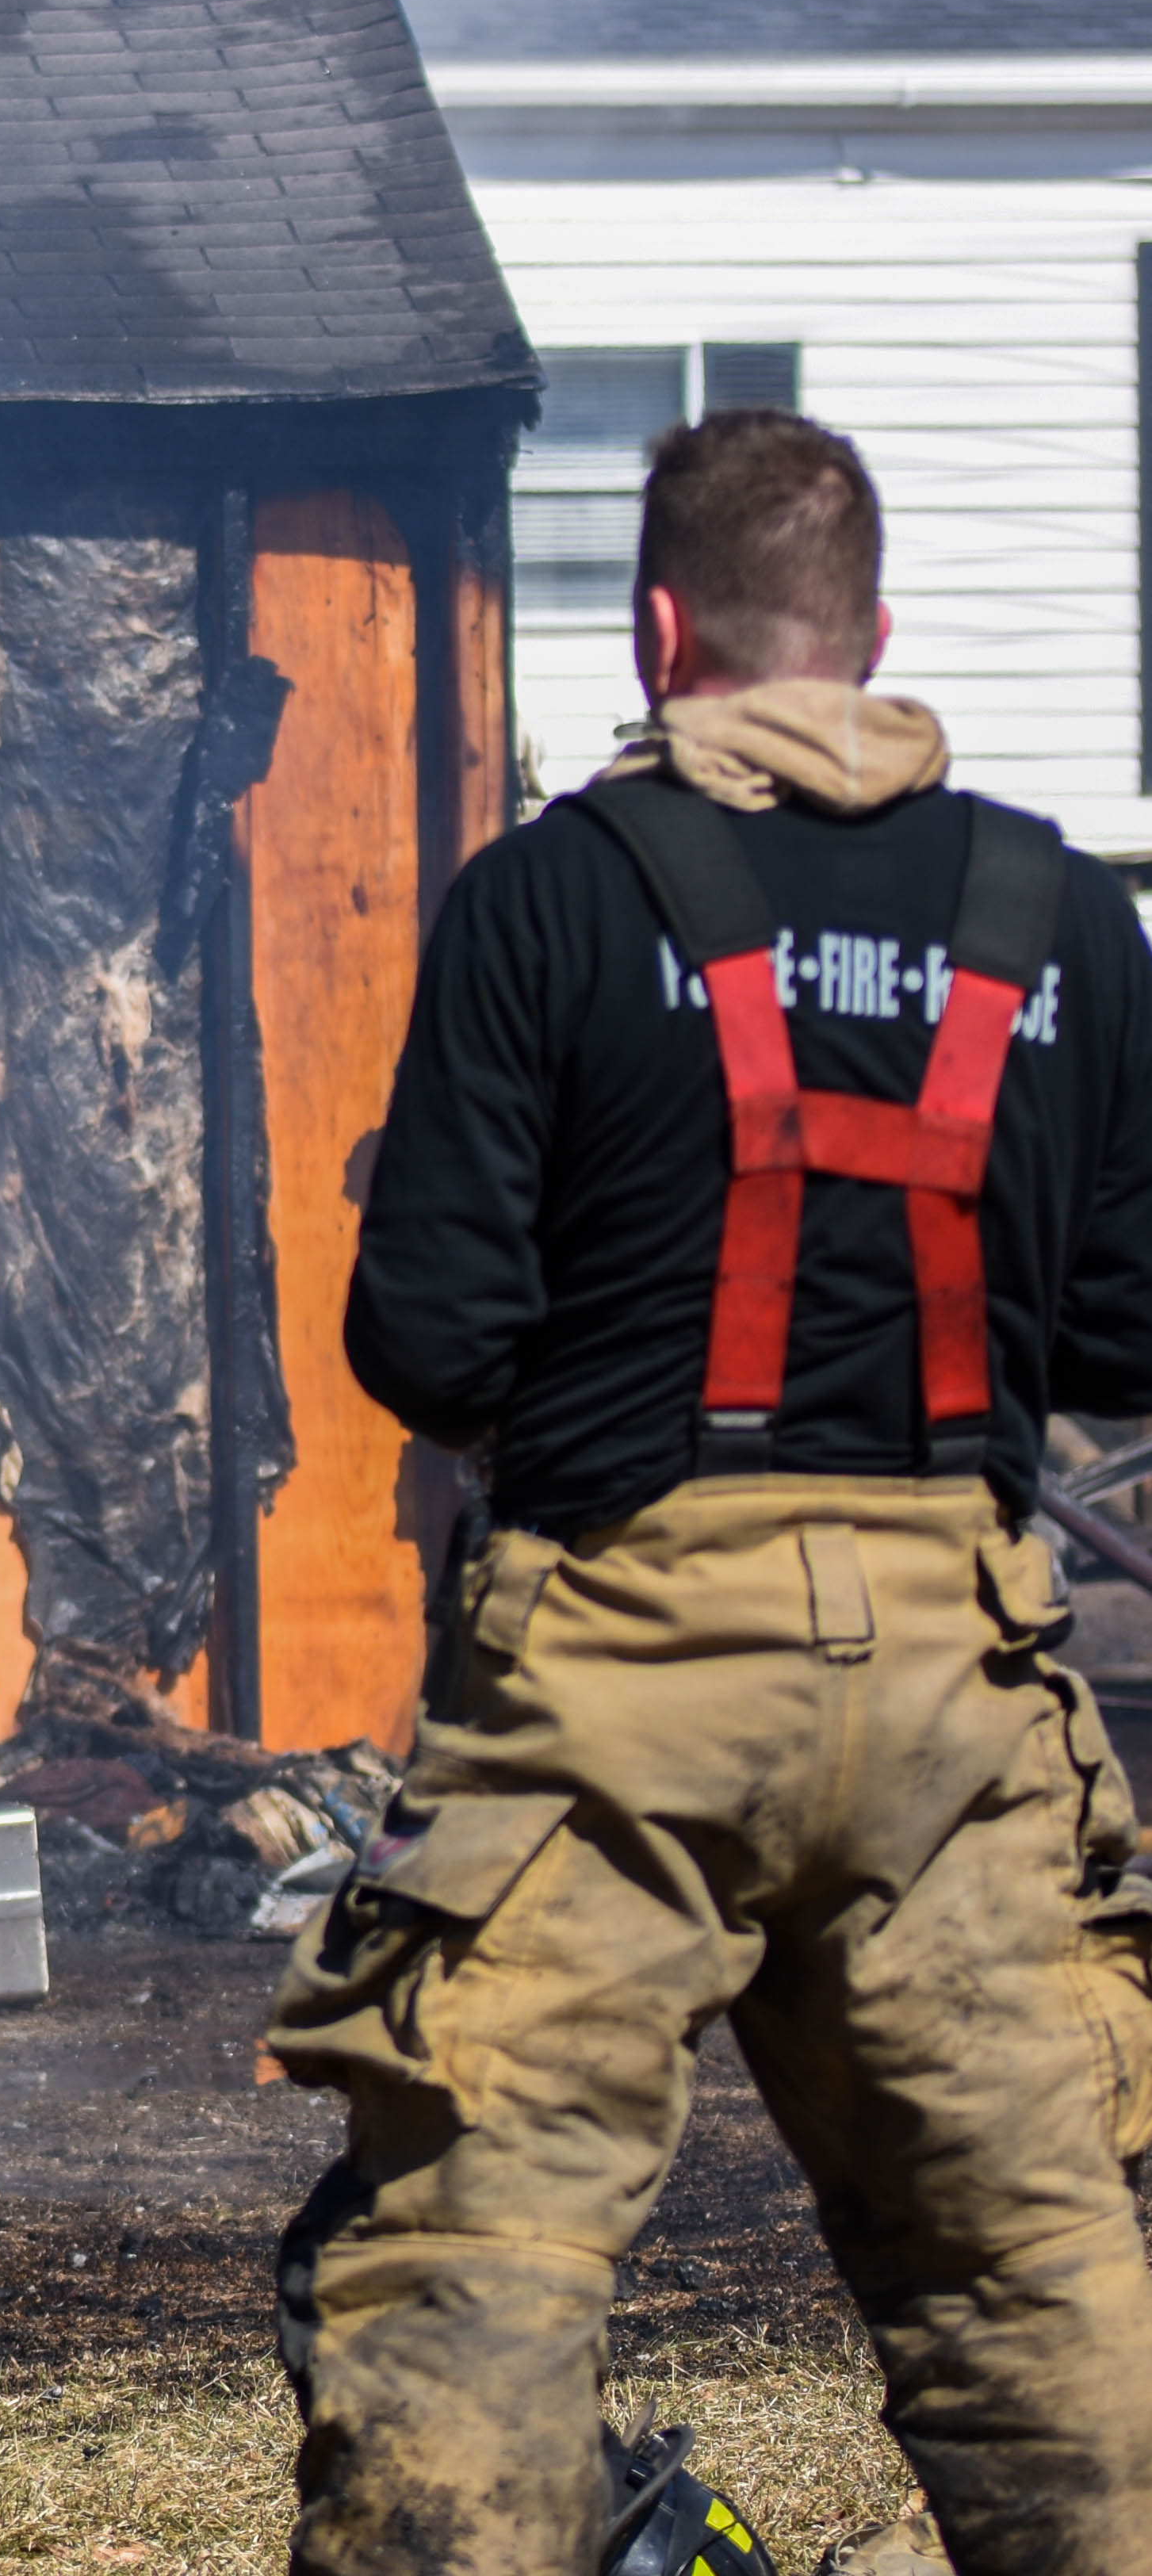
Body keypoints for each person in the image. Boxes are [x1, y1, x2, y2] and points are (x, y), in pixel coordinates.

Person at [271, 409, 1152, 2574]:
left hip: (620, 1676)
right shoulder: (1063, 920)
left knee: (473, 2271)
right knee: (1038, 2279)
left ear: (659, 632)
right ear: (876, 634)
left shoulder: (550, 898)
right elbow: (1129, 1333)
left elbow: (432, 1343)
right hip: (960, 1696)